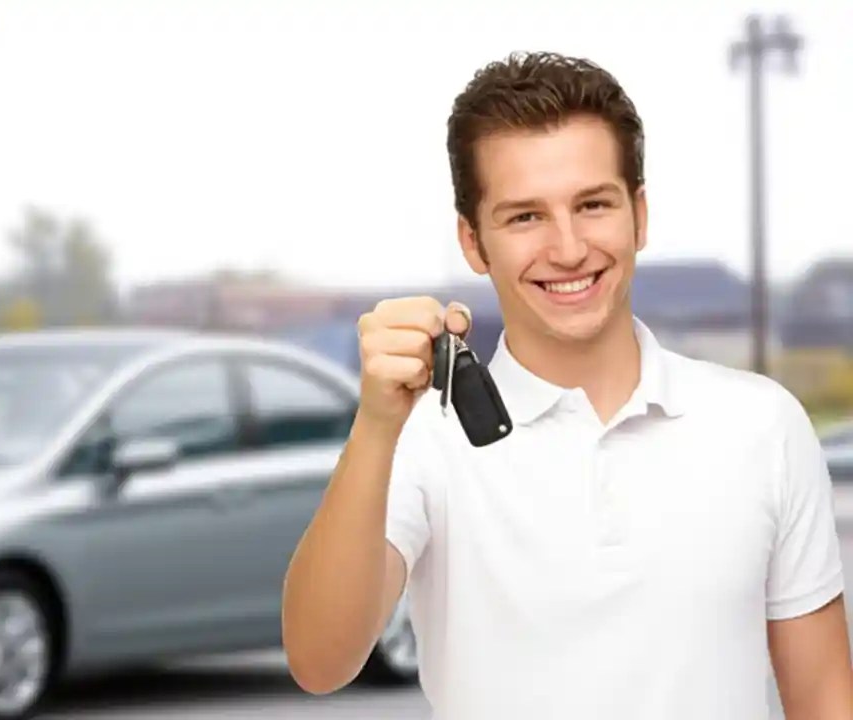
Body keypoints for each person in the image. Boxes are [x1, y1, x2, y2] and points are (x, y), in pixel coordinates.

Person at [281, 50, 853, 719]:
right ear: (473, 241)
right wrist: (377, 423)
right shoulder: (423, 441)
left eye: (592, 205)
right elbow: (319, 662)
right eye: (525, 216)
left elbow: (822, 699)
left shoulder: (763, 425)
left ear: (639, 215)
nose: (569, 247)